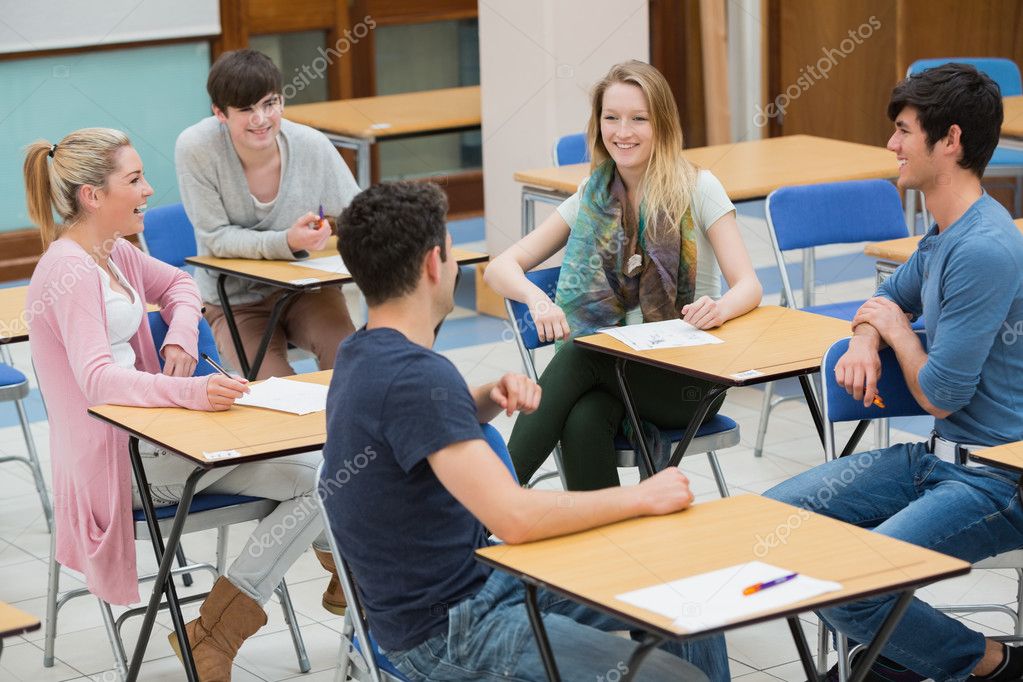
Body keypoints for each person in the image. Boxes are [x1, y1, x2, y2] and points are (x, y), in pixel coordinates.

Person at [321, 180, 730, 682]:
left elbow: (411, 423)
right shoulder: (415, 377)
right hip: (453, 629)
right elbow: (514, 517)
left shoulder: (361, 352)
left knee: (685, 577)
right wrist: (642, 496)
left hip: (479, 585)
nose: (455, 266)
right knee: (676, 679)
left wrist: (486, 395)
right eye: (451, 254)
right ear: (433, 264)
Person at [24, 128, 343, 680]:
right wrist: (191, 392)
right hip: (118, 464)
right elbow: (98, 381)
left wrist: (179, 334)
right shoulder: (70, 270)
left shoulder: (113, 251)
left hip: (157, 438)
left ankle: (213, 633)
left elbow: (180, 285)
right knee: (317, 481)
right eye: (134, 180)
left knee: (319, 475)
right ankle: (262, 611)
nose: (149, 190)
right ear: (93, 197)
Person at [765, 63, 1023, 681]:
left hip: (997, 482)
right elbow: (883, 299)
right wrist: (863, 338)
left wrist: (897, 332)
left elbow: (938, 393)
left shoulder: (983, 248)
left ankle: (991, 664)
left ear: (950, 141)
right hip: (935, 462)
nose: (892, 145)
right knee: (772, 527)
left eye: (904, 130)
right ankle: (891, 659)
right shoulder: (944, 234)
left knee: (852, 588)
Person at [485, 60, 762, 490]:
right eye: (611, 118)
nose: (622, 132)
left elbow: (750, 286)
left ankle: (489, 503)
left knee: (582, 352)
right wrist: (538, 299)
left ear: (663, 124)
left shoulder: (698, 187)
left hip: (689, 380)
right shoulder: (593, 195)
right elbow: (501, 268)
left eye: (638, 119)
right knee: (583, 417)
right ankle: (606, 547)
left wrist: (720, 307)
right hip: (615, 374)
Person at [175, 48, 359, 380]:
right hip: (234, 300)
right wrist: (286, 241)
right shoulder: (196, 148)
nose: (261, 119)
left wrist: (337, 231)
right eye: (246, 110)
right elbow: (215, 238)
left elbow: (361, 216)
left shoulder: (310, 145)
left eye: (269, 104)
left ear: (282, 102)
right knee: (274, 390)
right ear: (220, 113)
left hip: (306, 291)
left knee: (351, 364)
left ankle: (349, 432)